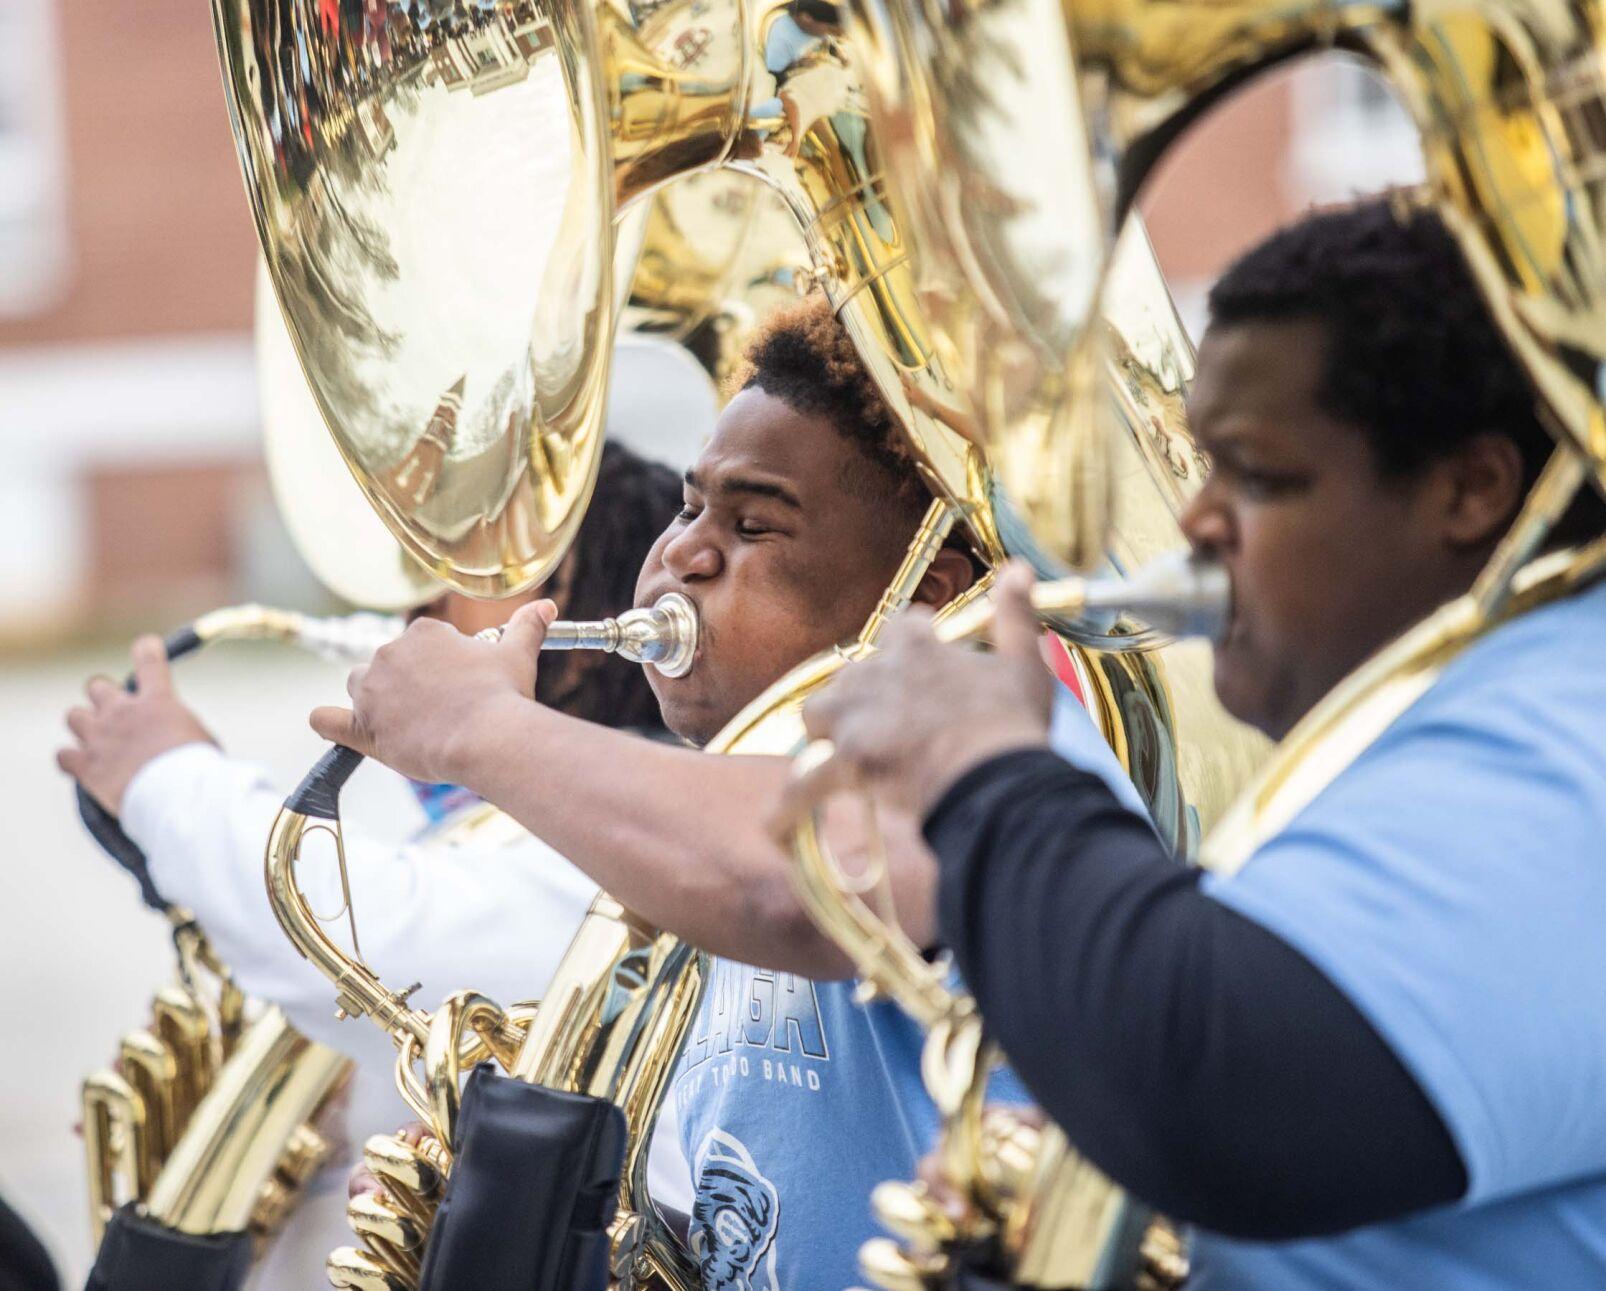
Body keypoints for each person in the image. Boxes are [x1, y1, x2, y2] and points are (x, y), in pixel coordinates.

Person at [786, 199, 1606, 1287]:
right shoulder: (1434, 742)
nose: (1195, 521)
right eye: (1203, 465)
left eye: (1257, 474)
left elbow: (1219, 1088)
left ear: (1469, 488)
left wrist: (986, 769)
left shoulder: (1569, 733)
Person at [315, 293, 1119, 1289]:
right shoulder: (718, 796)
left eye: (753, 525)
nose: (683, 554)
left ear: (926, 593)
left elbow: (798, 887)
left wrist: (479, 729)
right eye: (689, 507)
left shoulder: (1008, 737)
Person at [57, 440, 686, 1283]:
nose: (422, 597)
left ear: (582, 612)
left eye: (484, 566)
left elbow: (355, 933)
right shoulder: (470, 823)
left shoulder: (631, 831)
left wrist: (163, 776)